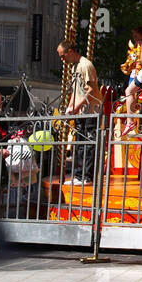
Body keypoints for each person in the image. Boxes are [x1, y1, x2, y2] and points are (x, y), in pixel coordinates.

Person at [58, 41, 100, 185]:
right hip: (81, 110)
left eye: (63, 56)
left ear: (70, 51)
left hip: (90, 110)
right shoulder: (75, 67)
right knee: (80, 144)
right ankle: (79, 175)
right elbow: (75, 90)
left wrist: (76, 107)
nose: (62, 60)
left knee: (88, 143)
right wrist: (71, 107)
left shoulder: (85, 65)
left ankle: (86, 176)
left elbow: (91, 89)